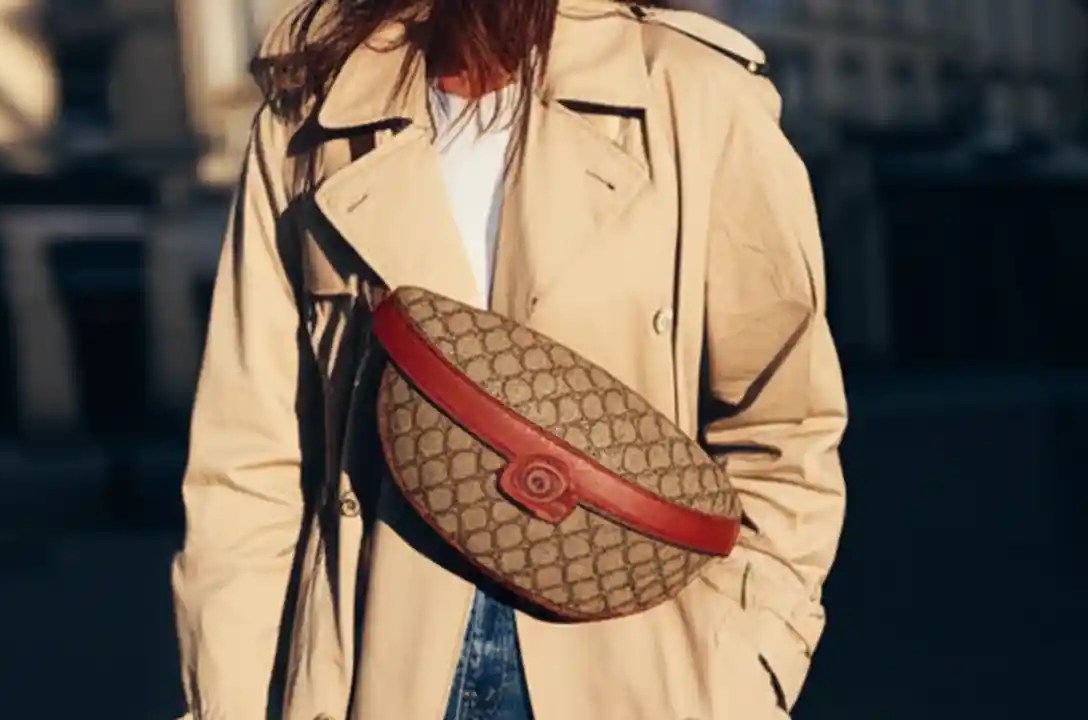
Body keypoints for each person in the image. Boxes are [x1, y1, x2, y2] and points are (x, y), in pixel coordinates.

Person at [170, 0, 847, 718]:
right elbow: (248, 461)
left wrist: (747, 664)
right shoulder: (311, 120)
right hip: (375, 663)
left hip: (638, 668)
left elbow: (785, 427)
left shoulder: (694, 95)